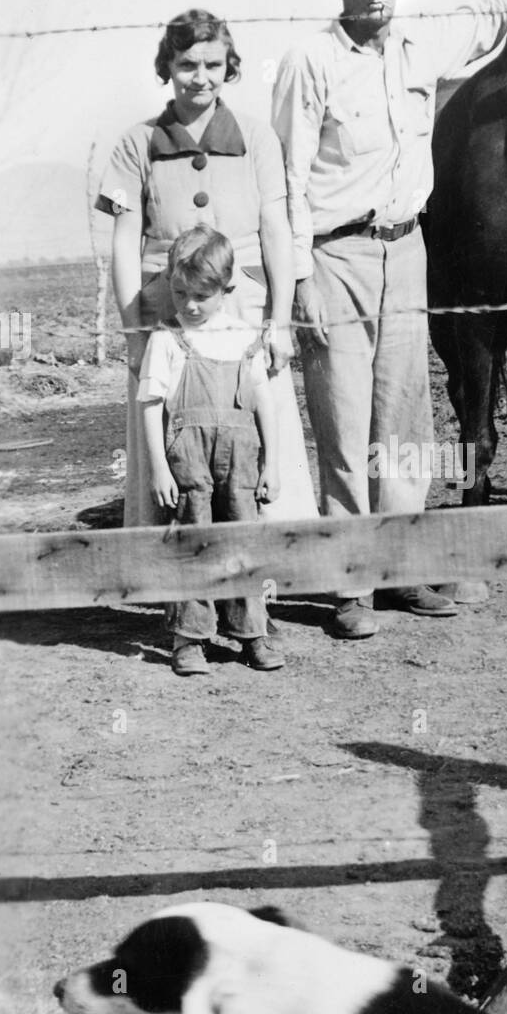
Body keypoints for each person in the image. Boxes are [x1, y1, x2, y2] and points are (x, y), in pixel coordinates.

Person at [273, 0, 507, 639]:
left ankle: (404, 565)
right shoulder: (306, 62)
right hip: (334, 257)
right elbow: (288, 179)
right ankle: (351, 582)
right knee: (344, 418)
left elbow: (494, 16)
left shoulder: (421, 46)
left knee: (404, 415)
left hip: (406, 251)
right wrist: (297, 281)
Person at [97, 8, 317, 530]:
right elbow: (125, 243)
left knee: (261, 427)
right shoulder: (136, 144)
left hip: (243, 309)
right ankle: (170, 578)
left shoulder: (257, 138)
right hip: (168, 311)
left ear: (229, 66)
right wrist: (133, 333)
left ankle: (270, 569)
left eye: (214, 64)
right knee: (167, 428)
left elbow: (275, 230)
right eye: (188, 65)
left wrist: (280, 321)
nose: (202, 77)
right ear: (167, 67)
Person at [138, 225, 284, 676]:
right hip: (189, 463)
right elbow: (150, 404)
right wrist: (159, 468)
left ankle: (252, 634)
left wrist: (272, 465)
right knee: (192, 540)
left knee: (243, 541)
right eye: (180, 293)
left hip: (242, 461)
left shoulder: (245, 338)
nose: (190, 306)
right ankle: (189, 638)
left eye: (201, 295)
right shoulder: (167, 339)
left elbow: (263, 403)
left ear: (227, 290)